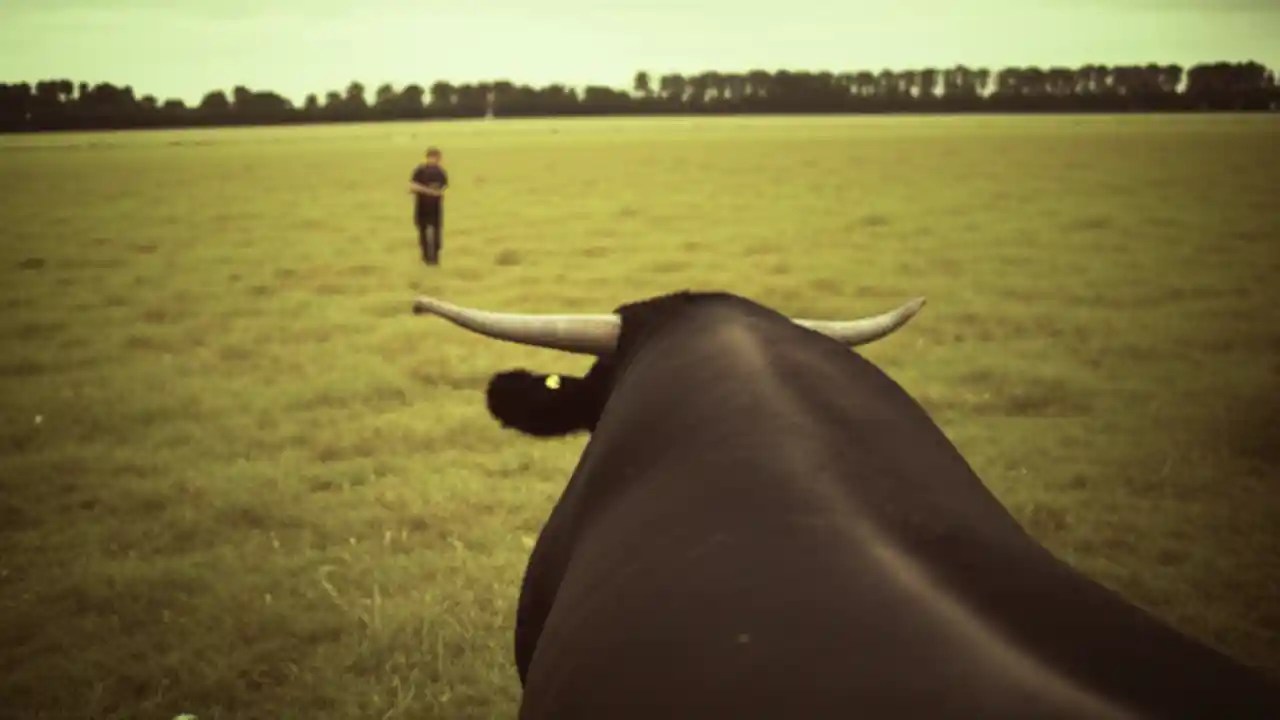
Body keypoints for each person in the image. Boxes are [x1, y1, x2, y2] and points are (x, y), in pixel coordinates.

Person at [409, 147, 449, 265]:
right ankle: (425, 258)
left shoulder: (441, 173)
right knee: (422, 232)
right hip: (421, 207)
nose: (434, 160)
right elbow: (412, 187)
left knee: (436, 234)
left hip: (435, 208)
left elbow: (443, 189)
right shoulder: (419, 171)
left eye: (436, 158)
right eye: (432, 157)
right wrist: (430, 191)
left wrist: (430, 191)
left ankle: (435, 259)